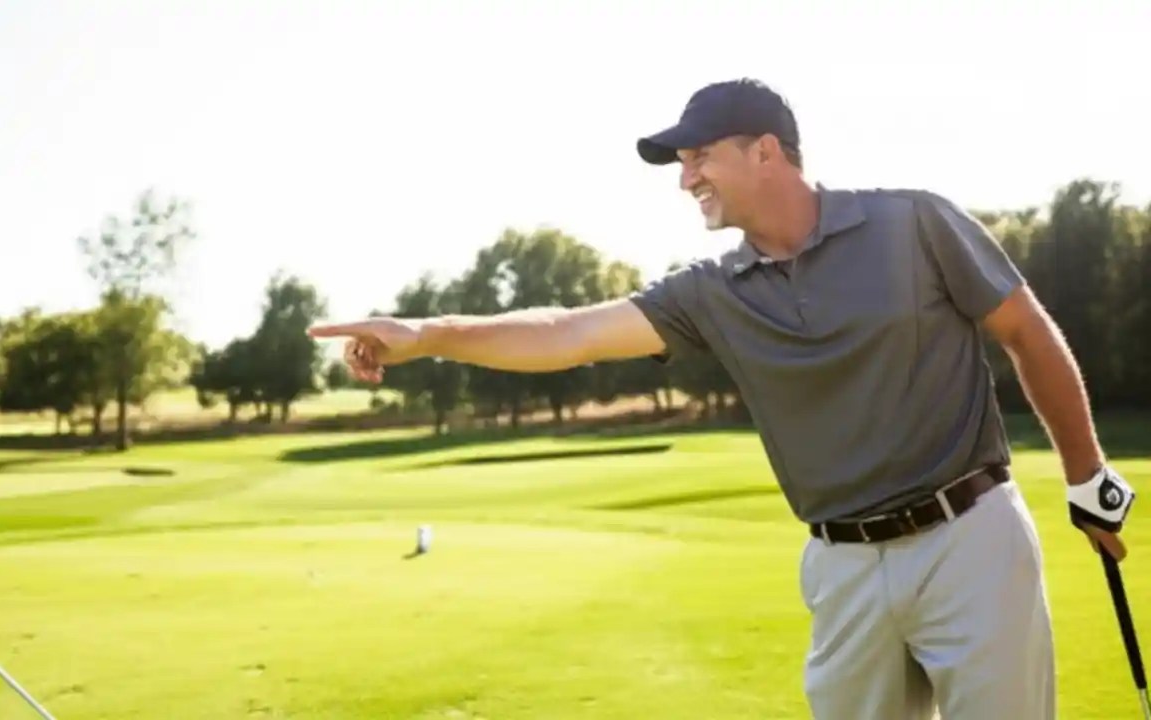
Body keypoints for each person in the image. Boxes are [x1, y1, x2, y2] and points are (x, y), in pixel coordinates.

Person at [306, 78, 1136, 719]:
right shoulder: (711, 291)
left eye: (699, 157)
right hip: (842, 565)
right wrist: (427, 332)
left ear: (765, 151)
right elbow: (565, 332)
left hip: (971, 538)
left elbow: (1027, 331)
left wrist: (1086, 476)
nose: (685, 179)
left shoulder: (914, 223)